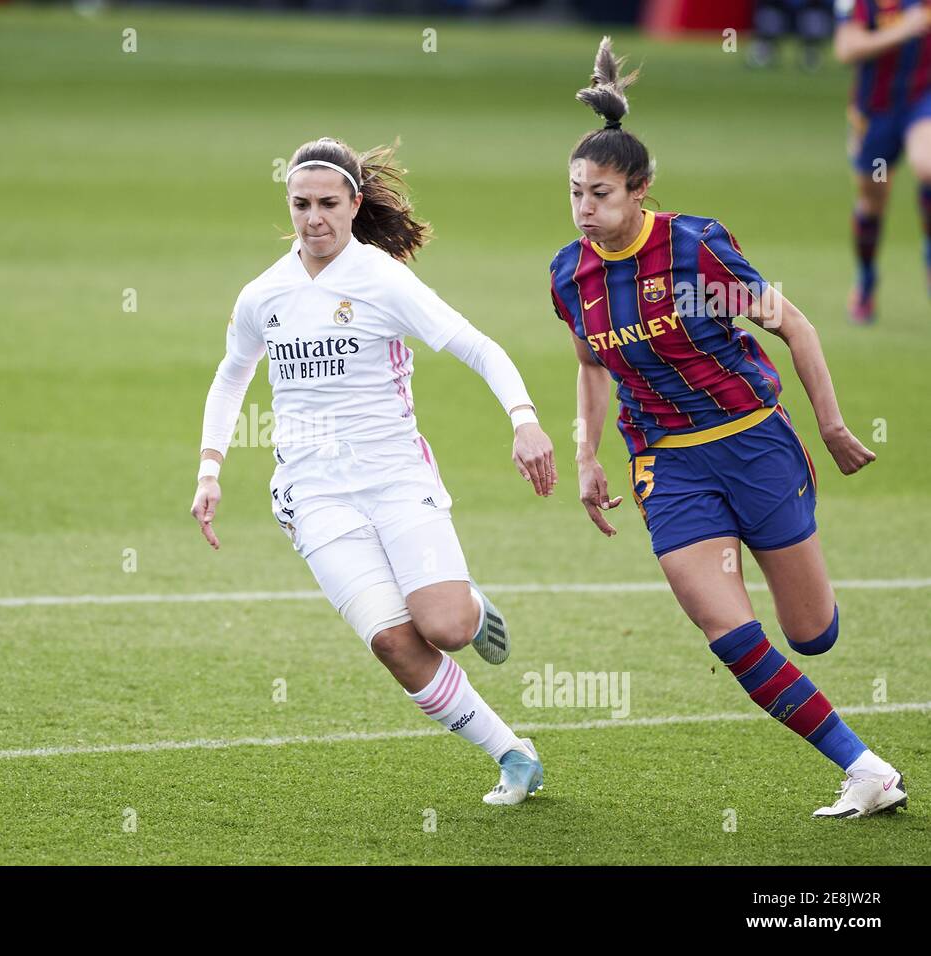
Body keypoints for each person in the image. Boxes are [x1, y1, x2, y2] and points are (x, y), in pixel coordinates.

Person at [551, 37, 907, 818]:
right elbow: (592, 365)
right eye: (576, 192)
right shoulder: (569, 275)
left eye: (601, 193)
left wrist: (834, 427)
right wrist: (587, 454)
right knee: (725, 626)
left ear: (640, 191)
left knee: (811, 635)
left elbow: (796, 327)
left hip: (753, 441)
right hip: (668, 465)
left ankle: (781, 560)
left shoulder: (694, 248)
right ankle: (865, 768)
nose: (585, 209)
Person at [192, 137, 557, 805]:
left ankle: (471, 611)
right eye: (300, 204)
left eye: (329, 203)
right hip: (314, 494)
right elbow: (231, 372)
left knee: (442, 627)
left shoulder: (383, 280)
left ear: (356, 204)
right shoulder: (264, 295)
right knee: (394, 643)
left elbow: (476, 345)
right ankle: (511, 753)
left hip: (396, 479)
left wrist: (523, 417)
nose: (314, 219)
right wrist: (209, 469)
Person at [834, 0, 931, 323]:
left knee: (926, 165)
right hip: (875, 111)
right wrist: (904, 29)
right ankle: (866, 279)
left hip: (922, 100)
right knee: (872, 202)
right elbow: (846, 49)